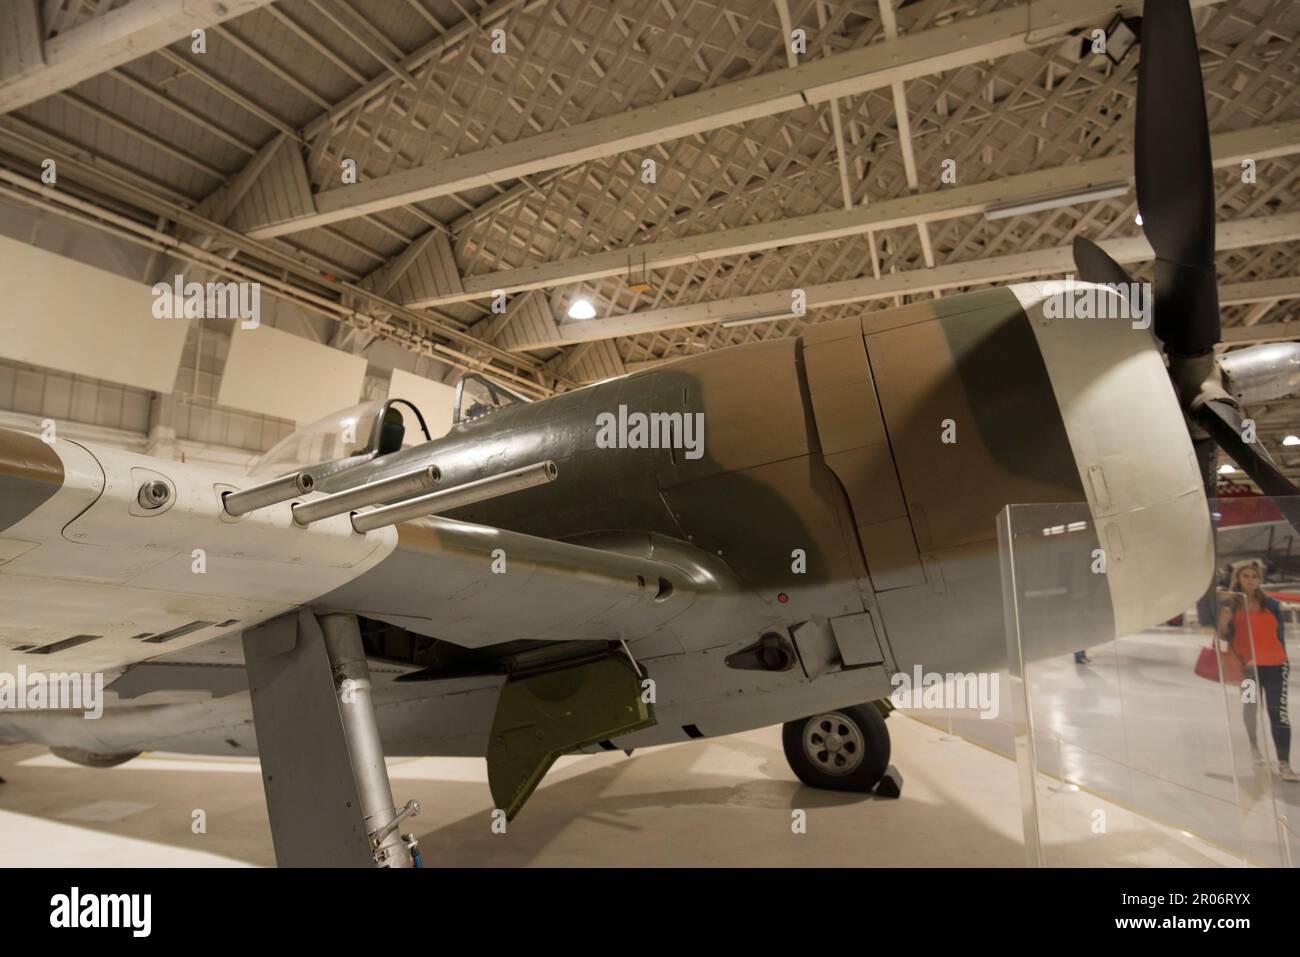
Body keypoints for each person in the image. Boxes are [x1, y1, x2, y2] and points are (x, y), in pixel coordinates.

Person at [1217, 560, 1297, 781]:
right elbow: (1223, 637)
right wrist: (1223, 624)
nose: (1251, 580)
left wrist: (1283, 659)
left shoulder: (1270, 603)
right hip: (1248, 670)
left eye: (1254, 576)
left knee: (1278, 712)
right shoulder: (1230, 604)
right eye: (1246, 576)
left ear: (1259, 580)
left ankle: (1284, 763)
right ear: (1238, 579)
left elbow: (1278, 633)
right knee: (1251, 706)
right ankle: (1253, 745)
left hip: (1276, 666)